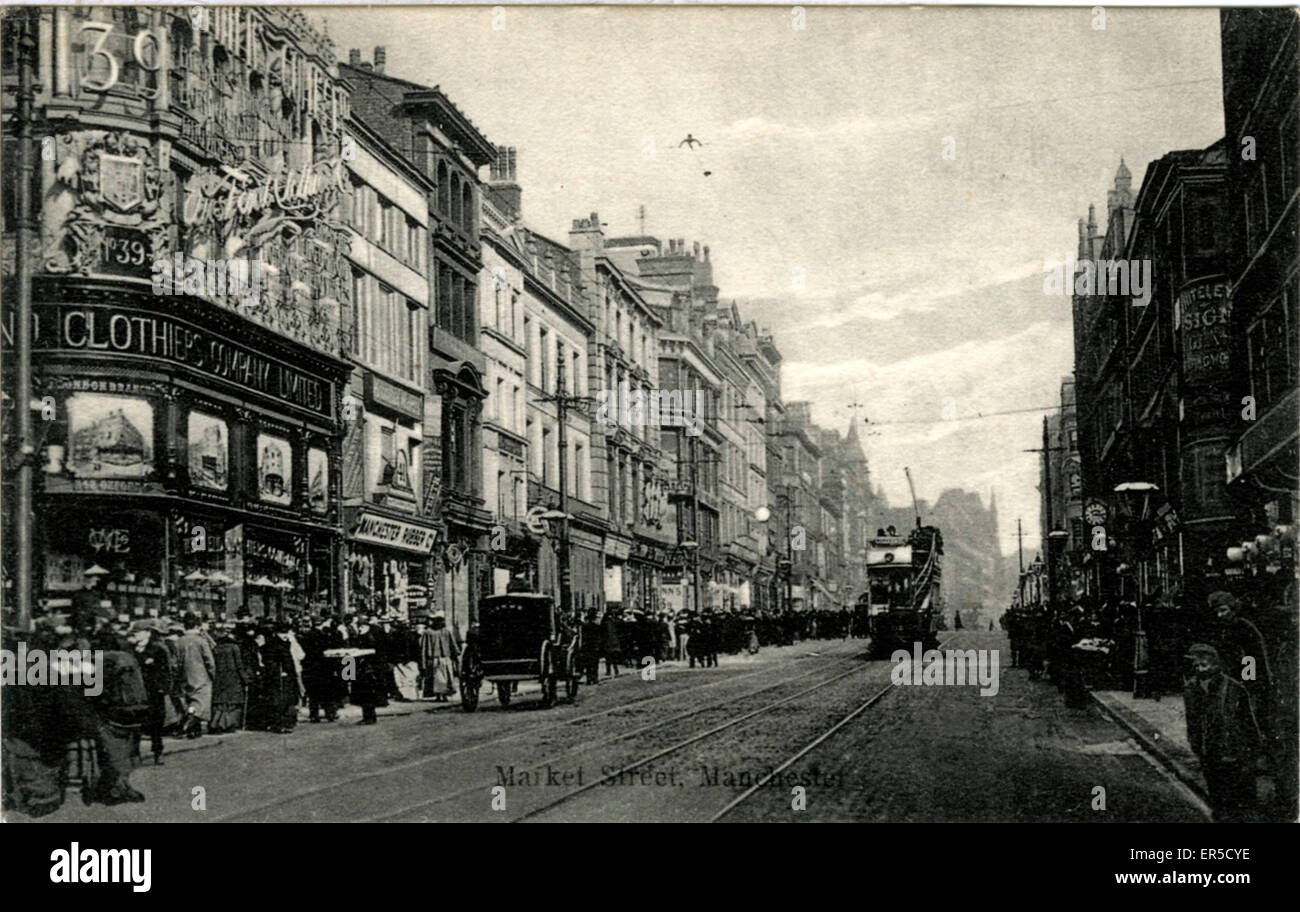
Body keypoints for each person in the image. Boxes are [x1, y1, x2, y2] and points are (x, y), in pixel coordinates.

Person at [1183, 643, 1264, 822]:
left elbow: (1249, 724)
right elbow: (1192, 721)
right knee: (1218, 802)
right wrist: (1195, 745)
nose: (1199, 669)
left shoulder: (1234, 689)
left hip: (1234, 754)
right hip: (1208, 753)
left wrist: (1252, 755)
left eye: (1204, 665)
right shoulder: (1190, 688)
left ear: (1215, 665)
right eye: (1196, 666)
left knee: (1240, 804)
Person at [86, 628, 149, 805]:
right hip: (136, 711)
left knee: (111, 749)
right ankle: (124, 784)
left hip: (113, 712)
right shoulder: (129, 658)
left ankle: (114, 788)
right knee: (128, 749)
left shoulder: (100, 661)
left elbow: (95, 691)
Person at [129, 619, 172, 765]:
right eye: (134, 633)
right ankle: (136, 754)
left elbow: (165, 671)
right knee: (137, 724)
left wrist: (163, 688)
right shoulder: (130, 650)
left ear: (147, 633)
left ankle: (158, 752)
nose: (136, 635)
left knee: (156, 724)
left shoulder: (157, 650)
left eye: (138, 632)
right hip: (137, 692)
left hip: (154, 692)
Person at [259, 622, 301, 733]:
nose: (285, 635)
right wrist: (277, 671)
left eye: (286, 632)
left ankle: (285, 723)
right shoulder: (274, 644)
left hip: (286, 675)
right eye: (283, 633)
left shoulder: (285, 643)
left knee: (286, 700)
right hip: (278, 676)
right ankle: (279, 724)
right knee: (279, 701)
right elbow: (270, 660)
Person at [209, 624, 248, 734]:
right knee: (232, 704)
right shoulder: (234, 647)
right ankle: (227, 724)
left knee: (219, 703)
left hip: (219, 678)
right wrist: (245, 678)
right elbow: (239, 665)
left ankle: (215, 724)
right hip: (233, 678)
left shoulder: (216, 648)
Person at [351, 617, 388, 724]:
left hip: (370, 670)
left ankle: (370, 717)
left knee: (368, 694)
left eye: (361, 626)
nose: (359, 628)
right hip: (364, 669)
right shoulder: (363, 634)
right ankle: (368, 716)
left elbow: (377, 651)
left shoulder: (370, 635)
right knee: (365, 694)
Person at [419, 614, 459, 702]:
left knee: (447, 677)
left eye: (440, 620)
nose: (439, 622)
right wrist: (423, 661)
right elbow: (424, 648)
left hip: (445, 658)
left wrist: (455, 655)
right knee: (436, 678)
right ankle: (438, 695)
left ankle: (444, 695)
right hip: (434, 658)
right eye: (437, 620)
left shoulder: (446, 632)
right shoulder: (428, 632)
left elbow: (452, 644)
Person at [601, 609, 622, 679]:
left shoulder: (605, 622)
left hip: (608, 642)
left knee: (608, 657)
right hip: (614, 641)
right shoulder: (614, 621)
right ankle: (615, 670)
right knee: (613, 657)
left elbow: (603, 632)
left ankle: (609, 670)